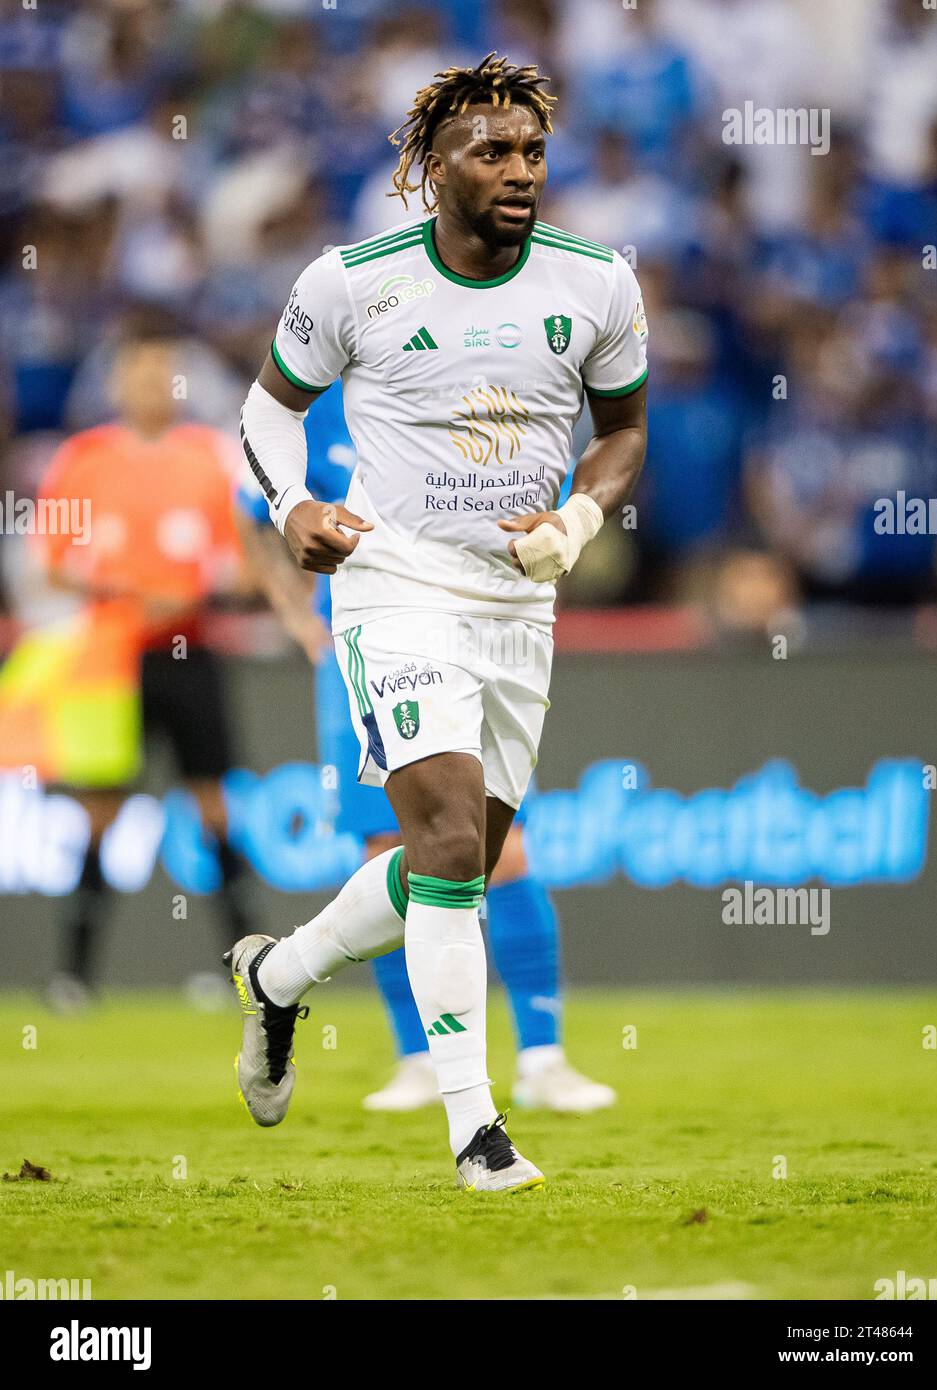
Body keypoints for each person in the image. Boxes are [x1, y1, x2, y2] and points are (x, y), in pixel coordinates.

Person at [230, 53, 648, 1192]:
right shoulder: (352, 283)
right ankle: (478, 1129)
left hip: (521, 598)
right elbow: (266, 412)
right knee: (458, 844)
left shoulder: (599, 282)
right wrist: (293, 504)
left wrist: (579, 515)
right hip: (393, 583)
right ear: (429, 169)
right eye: (492, 151)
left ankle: (278, 978)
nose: (520, 171)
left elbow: (623, 436)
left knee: (441, 866)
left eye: (532, 152)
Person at [235, 377, 617, 1114]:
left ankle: (541, 1057)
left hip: (478, 640)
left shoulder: (488, 390)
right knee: (388, 848)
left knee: (497, 850)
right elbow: (252, 512)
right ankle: (416, 1060)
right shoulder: (317, 411)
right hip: (367, 641)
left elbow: (556, 517)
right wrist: (297, 619)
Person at [36, 317, 251, 1007]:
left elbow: (244, 570)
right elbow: (53, 566)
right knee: (99, 811)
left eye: (164, 372)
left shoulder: (210, 459)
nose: (153, 385)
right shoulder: (84, 460)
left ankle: (241, 967)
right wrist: (131, 594)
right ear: (119, 380)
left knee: (214, 808)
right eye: (139, 372)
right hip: (111, 664)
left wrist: (187, 594)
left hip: (191, 658)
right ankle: (75, 977)